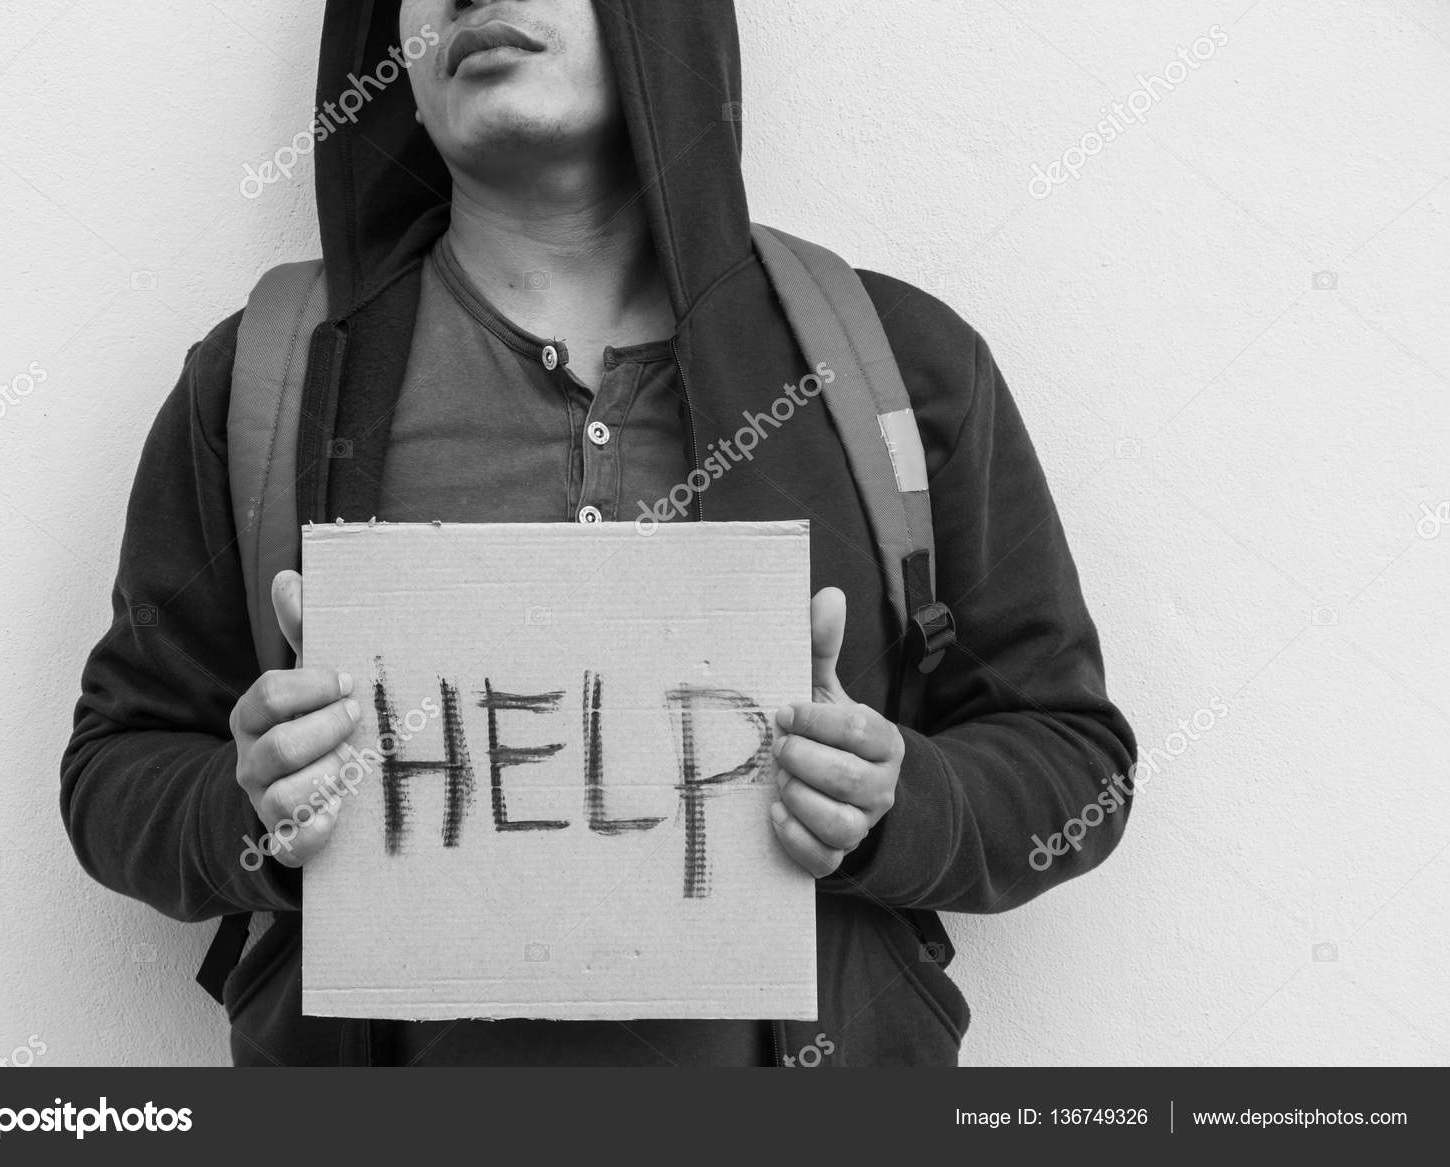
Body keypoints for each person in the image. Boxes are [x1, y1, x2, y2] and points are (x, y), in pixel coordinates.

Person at [61, 0, 1137, 1066]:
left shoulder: (893, 364)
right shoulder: (261, 381)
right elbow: (116, 772)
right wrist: (246, 812)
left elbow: (1075, 761)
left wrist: (899, 802)